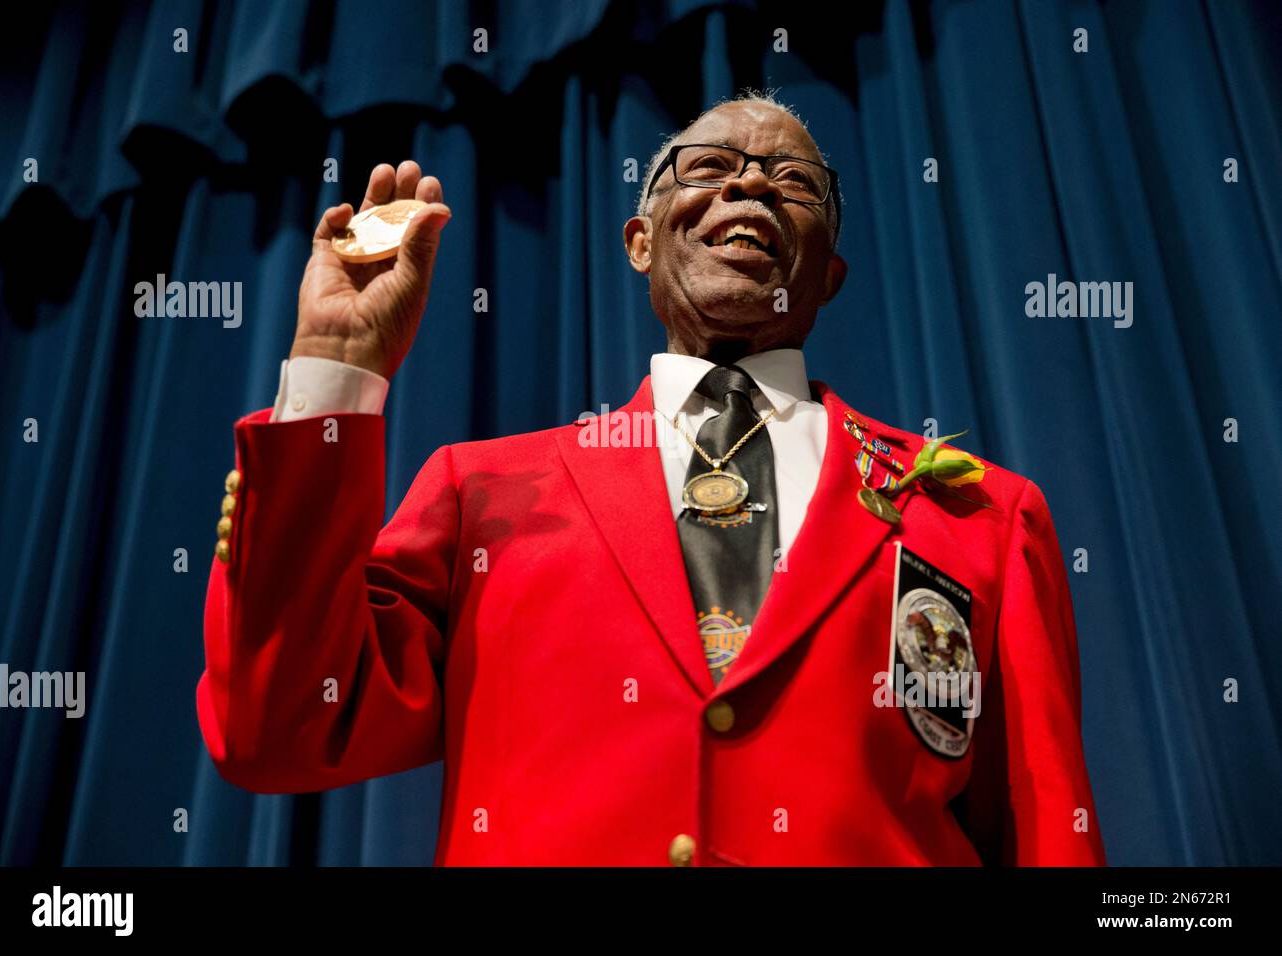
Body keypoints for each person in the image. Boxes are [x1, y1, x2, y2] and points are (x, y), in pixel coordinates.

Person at [196, 92, 1106, 866]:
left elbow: (1045, 831)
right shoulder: (486, 494)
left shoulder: (979, 512)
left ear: (828, 275)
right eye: (709, 168)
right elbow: (282, 728)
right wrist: (334, 367)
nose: (749, 182)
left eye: (794, 183)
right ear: (639, 242)